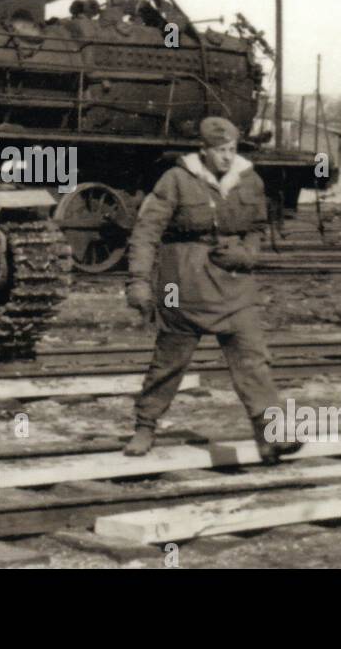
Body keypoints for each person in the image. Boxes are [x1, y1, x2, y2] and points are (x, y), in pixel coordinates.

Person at [123, 116, 301, 462]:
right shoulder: (176, 179)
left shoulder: (249, 181)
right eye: (220, 151)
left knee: (253, 359)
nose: (226, 157)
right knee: (169, 361)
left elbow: (257, 228)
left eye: (232, 150)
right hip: (180, 283)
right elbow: (146, 233)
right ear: (203, 151)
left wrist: (247, 254)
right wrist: (139, 282)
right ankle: (145, 427)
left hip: (234, 282)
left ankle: (270, 436)